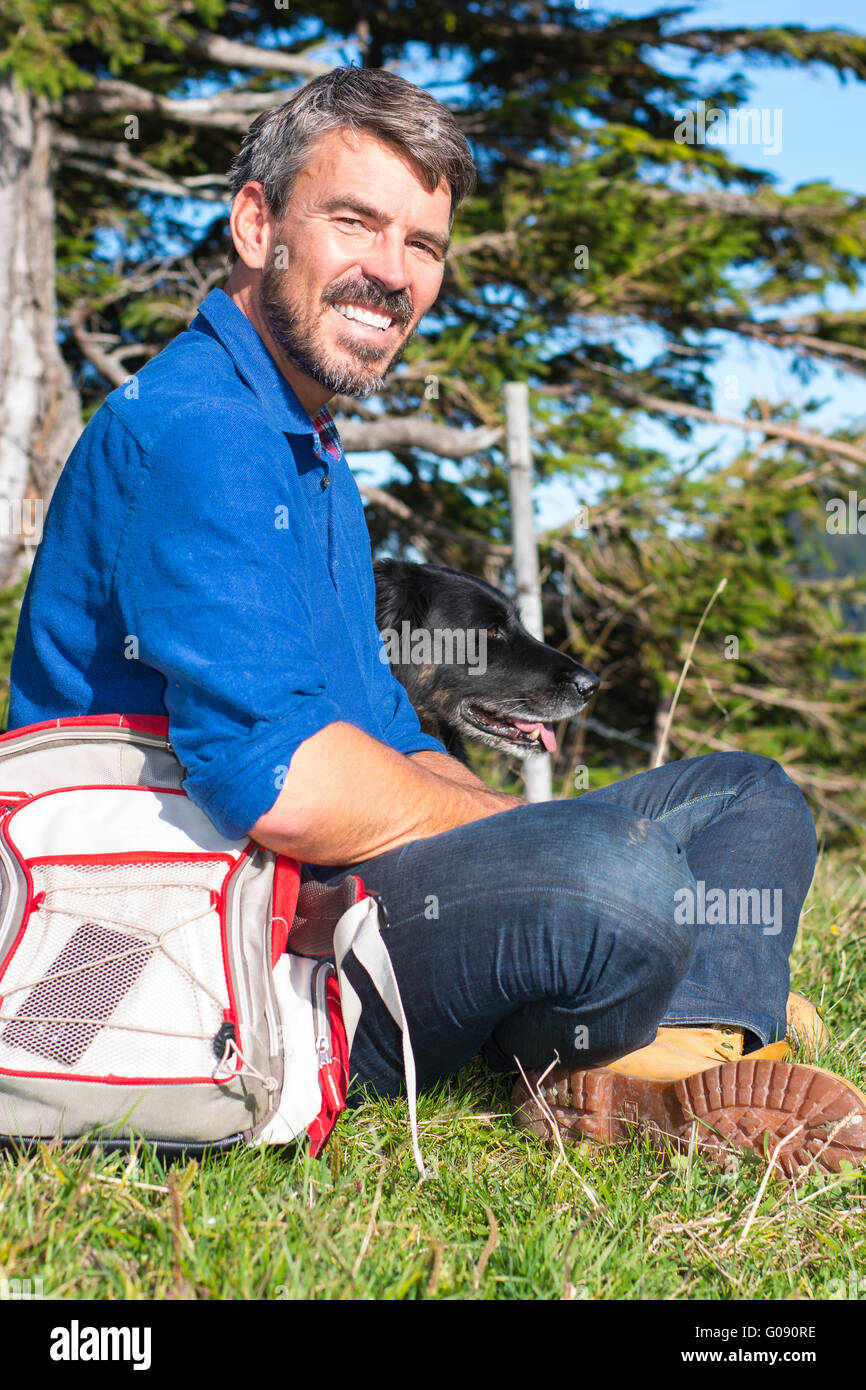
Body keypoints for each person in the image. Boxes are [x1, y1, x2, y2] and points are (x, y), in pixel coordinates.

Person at [9, 66, 865, 1174]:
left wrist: (521, 841)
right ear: (257, 221)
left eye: (423, 243)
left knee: (744, 795)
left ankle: (653, 1063)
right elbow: (286, 786)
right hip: (247, 946)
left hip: (328, 893)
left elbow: (395, 737)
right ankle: (657, 1023)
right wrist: (537, 850)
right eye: (355, 221)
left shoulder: (303, 446)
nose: (391, 271)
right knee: (624, 876)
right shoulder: (198, 432)